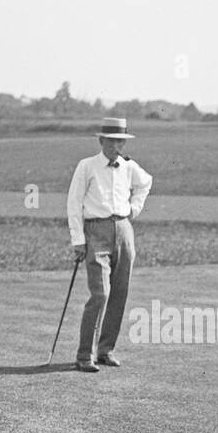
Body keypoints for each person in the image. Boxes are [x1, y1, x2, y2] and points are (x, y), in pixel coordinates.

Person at [65, 118, 153, 373]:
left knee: (119, 292)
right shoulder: (87, 166)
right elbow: (74, 203)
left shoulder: (128, 166)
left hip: (124, 230)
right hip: (95, 231)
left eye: (121, 141)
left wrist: (134, 208)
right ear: (101, 140)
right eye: (113, 140)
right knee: (100, 294)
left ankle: (105, 350)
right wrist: (78, 240)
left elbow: (146, 182)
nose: (117, 145)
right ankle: (84, 354)